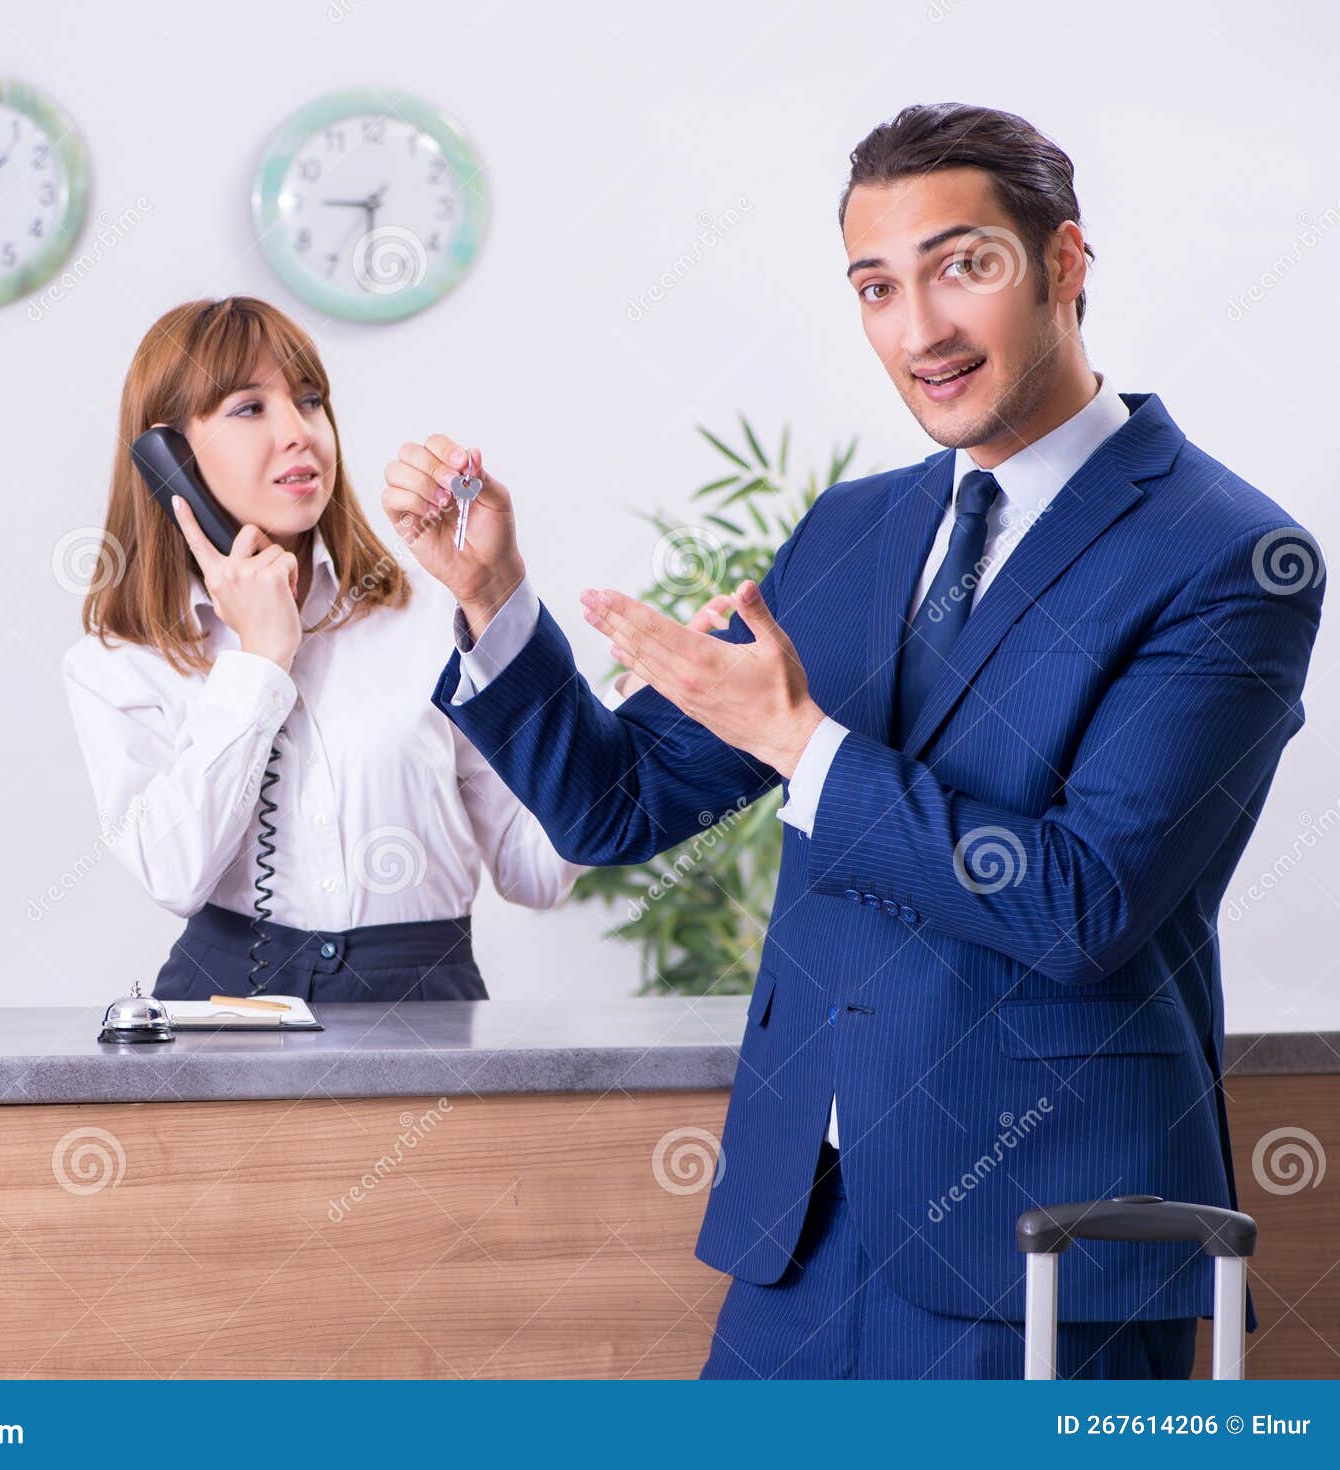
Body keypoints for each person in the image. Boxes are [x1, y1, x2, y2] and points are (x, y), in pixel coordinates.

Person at [384, 104, 1325, 1377]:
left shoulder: (1226, 556)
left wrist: (804, 745)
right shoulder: (852, 529)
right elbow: (616, 806)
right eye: (876, 288)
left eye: (961, 266)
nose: (919, 329)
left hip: (1043, 1247)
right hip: (803, 1231)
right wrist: (493, 596)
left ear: (1062, 261)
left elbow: (1086, 904)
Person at [63, 296, 581, 1004]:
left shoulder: (430, 615)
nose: (300, 433)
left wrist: (646, 711)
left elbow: (534, 871)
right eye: (250, 408)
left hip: (425, 998)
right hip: (224, 1005)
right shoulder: (118, 661)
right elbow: (173, 875)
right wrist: (259, 660)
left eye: (309, 401)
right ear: (168, 458)